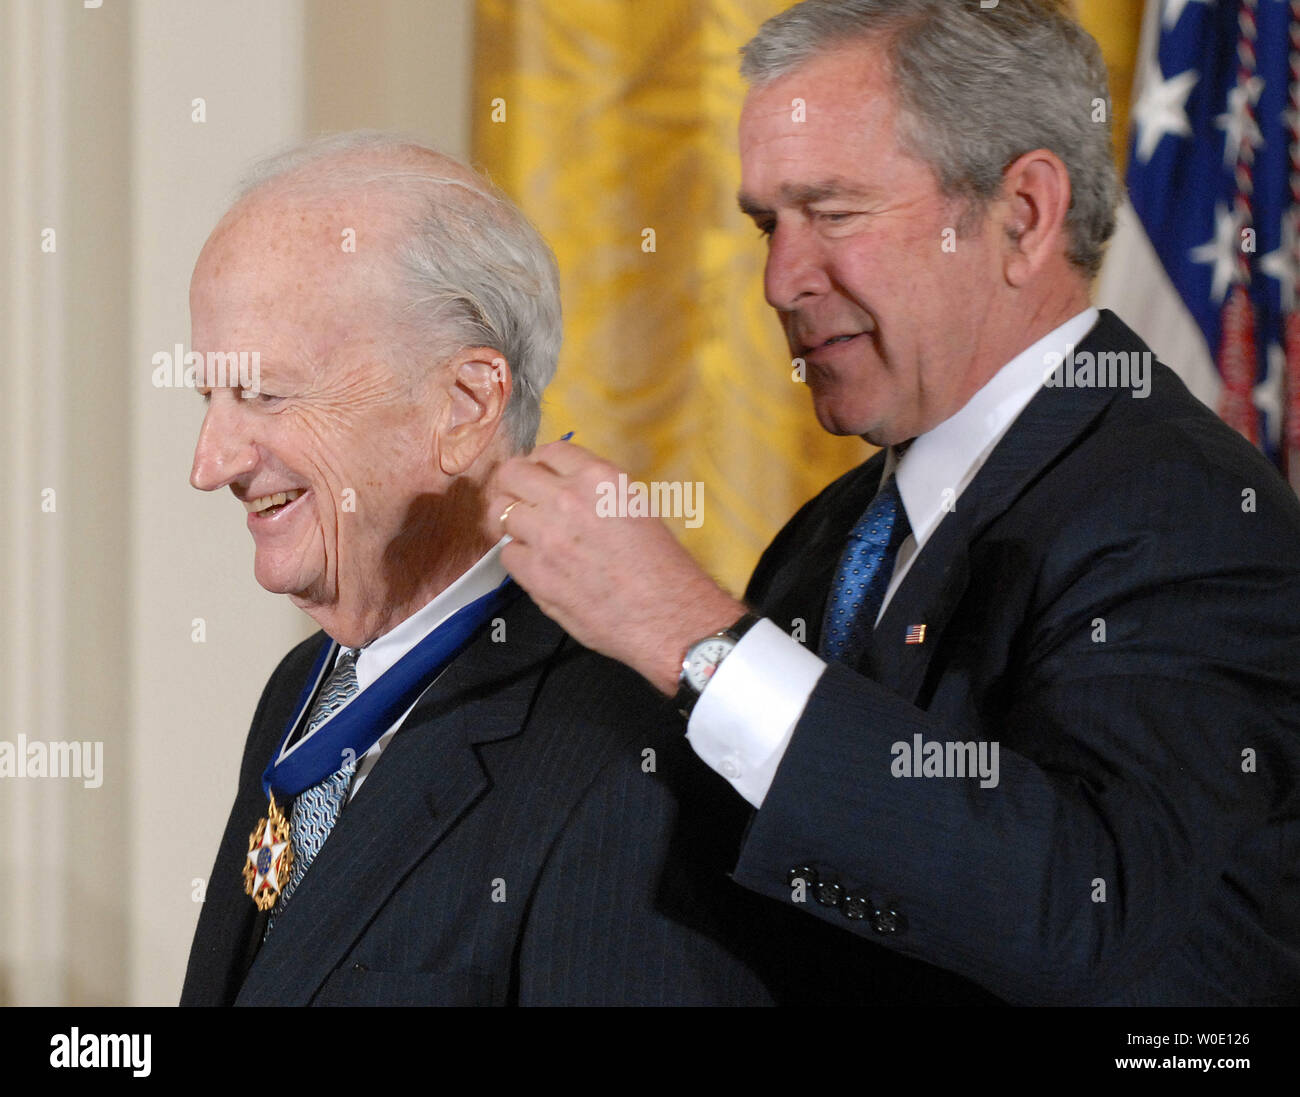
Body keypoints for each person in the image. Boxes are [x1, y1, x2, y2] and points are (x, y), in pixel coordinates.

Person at [496, 0, 1300, 1005]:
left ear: (1022, 215)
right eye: (764, 226)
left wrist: (688, 632)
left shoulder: (1191, 510)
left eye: (832, 214)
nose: (780, 281)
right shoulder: (831, 533)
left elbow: (1083, 907)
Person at [178, 133, 803, 1006]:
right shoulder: (302, 691)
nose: (210, 463)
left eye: (266, 394)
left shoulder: (628, 755)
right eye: (208, 396)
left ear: (465, 406)